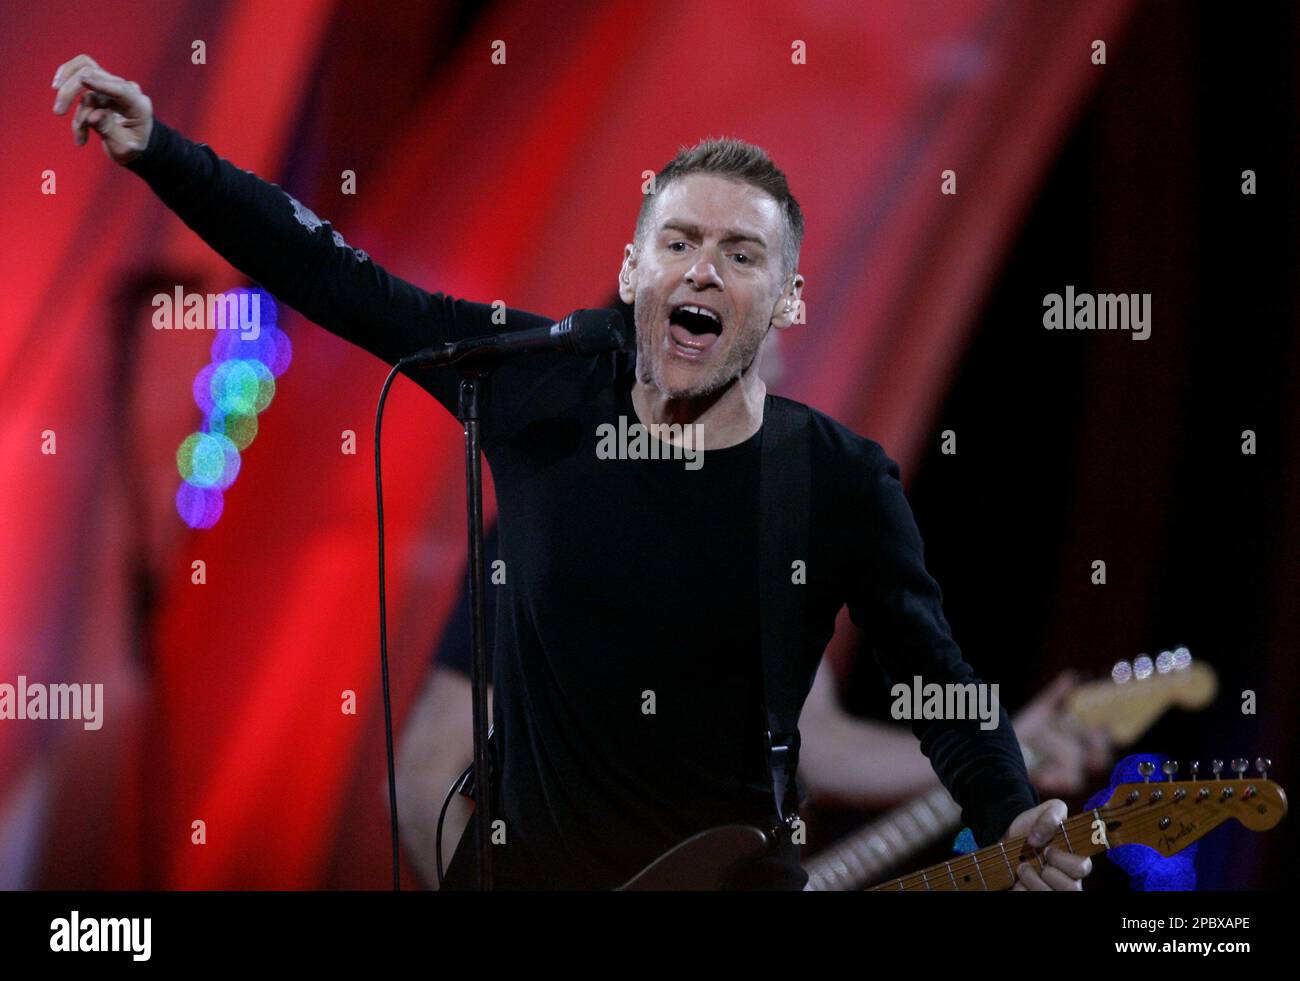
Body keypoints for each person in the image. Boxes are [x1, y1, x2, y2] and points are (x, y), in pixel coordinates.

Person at [52, 54, 1093, 890]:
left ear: (785, 301)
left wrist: (1010, 807)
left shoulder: (833, 480)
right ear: (636, 273)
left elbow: (934, 678)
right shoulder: (539, 390)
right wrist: (163, 153)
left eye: (740, 254)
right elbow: (337, 278)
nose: (702, 269)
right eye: (679, 241)